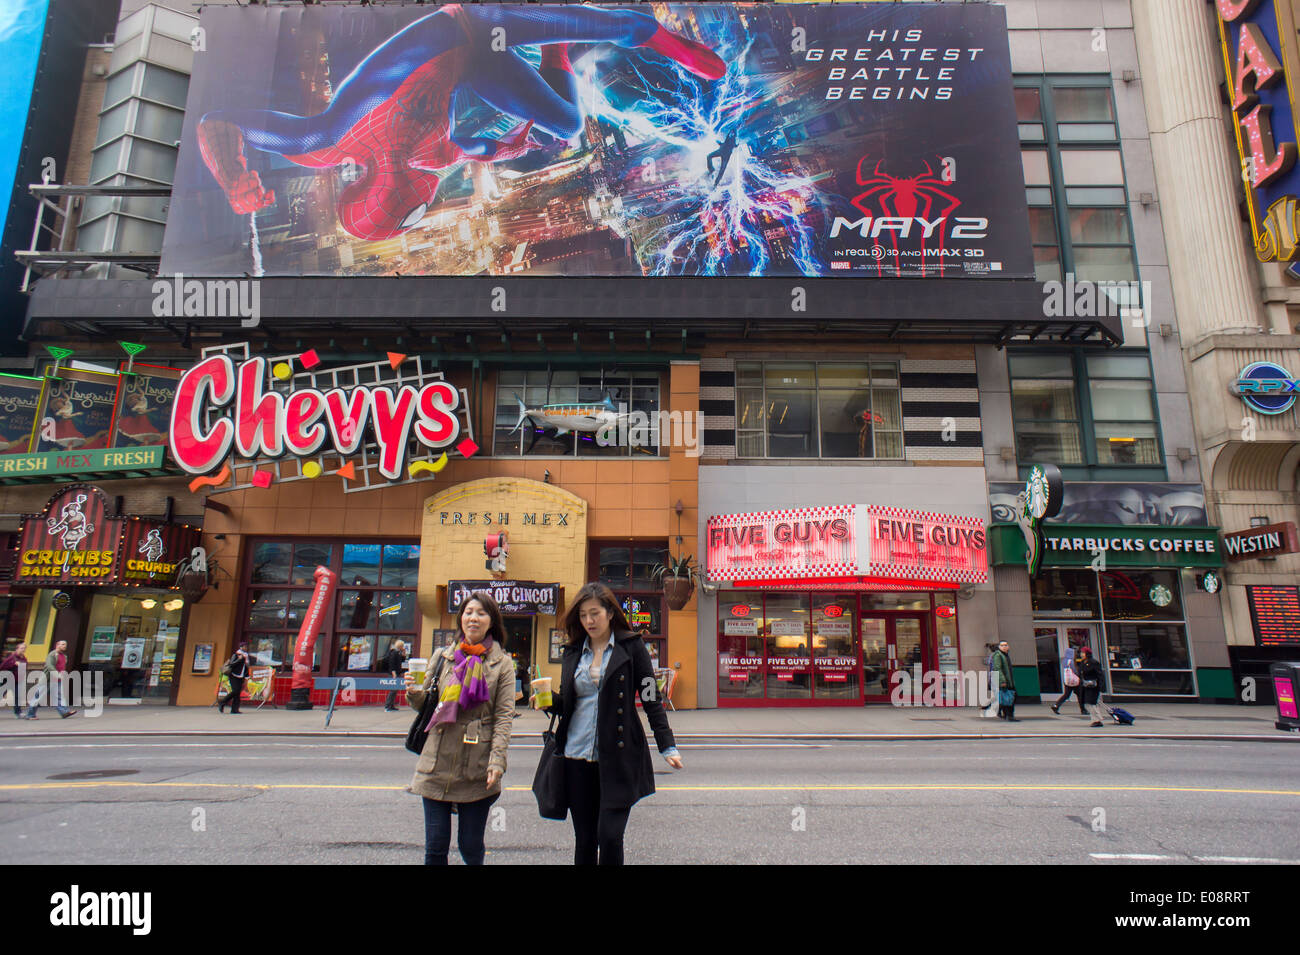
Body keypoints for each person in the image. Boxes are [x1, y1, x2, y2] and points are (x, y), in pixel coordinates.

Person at [197, 5, 725, 241]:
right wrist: (509, 148)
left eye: (408, 207)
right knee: (565, 123)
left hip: (465, 25)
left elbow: (219, 121)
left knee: (617, 25)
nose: (424, 199)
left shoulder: (326, 139)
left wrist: (231, 173)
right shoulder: (431, 160)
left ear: (378, 192)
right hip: (475, 63)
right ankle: (557, 50)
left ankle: (662, 38)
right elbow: (472, 147)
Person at [532, 582, 682, 865]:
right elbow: (568, 704)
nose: (589, 620)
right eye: (583, 615)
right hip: (576, 756)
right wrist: (547, 700)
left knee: (610, 836)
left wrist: (667, 744)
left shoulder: (632, 646)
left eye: (595, 613)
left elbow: (651, 696)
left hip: (619, 757)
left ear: (610, 613)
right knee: (585, 839)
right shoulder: (573, 650)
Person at [405, 592, 515, 865]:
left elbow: (503, 716)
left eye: (480, 613)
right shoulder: (443, 656)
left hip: (476, 764)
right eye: (468, 612)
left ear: (491, 621)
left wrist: (497, 761)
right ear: (461, 618)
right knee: (436, 846)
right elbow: (425, 704)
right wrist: (412, 691)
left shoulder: (502, 664)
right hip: (436, 762)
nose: (473, 618)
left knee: (470, 846)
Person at [25, 640, 76, 719]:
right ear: (57, 645)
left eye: (65, 644)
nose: (64, 646)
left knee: (59, 697)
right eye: (62, 644)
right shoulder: (52, 654)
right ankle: (30, 715)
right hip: (47, 680)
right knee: (38, 697)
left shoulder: (64, 656)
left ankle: (64, 712)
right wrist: (57, 674)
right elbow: (49, 665)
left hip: (57, 681)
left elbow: (62, 667)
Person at [1052, 645, 1087, 716]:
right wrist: (1079, 675)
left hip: (1067, 680)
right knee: (1080, 694)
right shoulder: (1071, 661)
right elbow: (1074, 670)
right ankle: (1083, 709)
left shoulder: (1064, 660)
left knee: (1066, 694)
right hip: (1075, 680)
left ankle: (1056, 705)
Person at [1078, 647, 1108, 727]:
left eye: (1083, 652)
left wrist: (1102, 685)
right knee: (1088, 703)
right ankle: (1096, 719)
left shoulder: (1093, 662)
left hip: (1093, 686)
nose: (1081, 654)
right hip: (1085, 686)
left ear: (1087, 653)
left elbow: (1100, 674)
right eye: (1081, 653)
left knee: (1091, 703)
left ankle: (1097, 720)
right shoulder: (1082, 662)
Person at [219, 643, 251, 714]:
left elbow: (246, 667)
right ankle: (222, 702)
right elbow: (231, 664)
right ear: (241, 647)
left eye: (246, 647)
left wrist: (247, 676)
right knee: (235, 691)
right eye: (244, 646)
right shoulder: (236, 655)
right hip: (234, 675)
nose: (246, 648)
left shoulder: (246, 656)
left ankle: (234, 710)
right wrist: (239, 660)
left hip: (241, 676)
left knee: (237, 693)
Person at [992, 639, 1017, 722]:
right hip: (1004, 681)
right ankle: (1009, 715)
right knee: (1009, 698)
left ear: (1008, 646)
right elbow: (997, 668)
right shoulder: (998, 655)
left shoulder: (1005, 655)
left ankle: (1006, 714)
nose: (1004, 646)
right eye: (1002, 645)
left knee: (1009, 697)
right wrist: (1003, 681)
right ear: (999, 647)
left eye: (1006, 645)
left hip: (1009, 680)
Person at [1, 643, 28, 717]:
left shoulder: (24, 658)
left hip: (17, 681)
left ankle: (18, 712)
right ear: (17, 649)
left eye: (24, 648)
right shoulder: (12, 657)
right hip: (7, 680)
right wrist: (13, 663)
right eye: (21, 648)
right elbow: (2, 667)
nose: (23, 650)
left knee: (18, 696)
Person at [383, 639, 407, 712]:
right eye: (402, 646)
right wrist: (394, 673)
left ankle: (392, 705)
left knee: (395, 690)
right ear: (400, 646)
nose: (403, 647)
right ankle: (387, 706)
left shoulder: (398, 653)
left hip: (397, 673)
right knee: (393, 690)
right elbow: (392, 663)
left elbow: (401, 661)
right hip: (394, 674)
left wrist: (404, 654)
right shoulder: (394, 653)